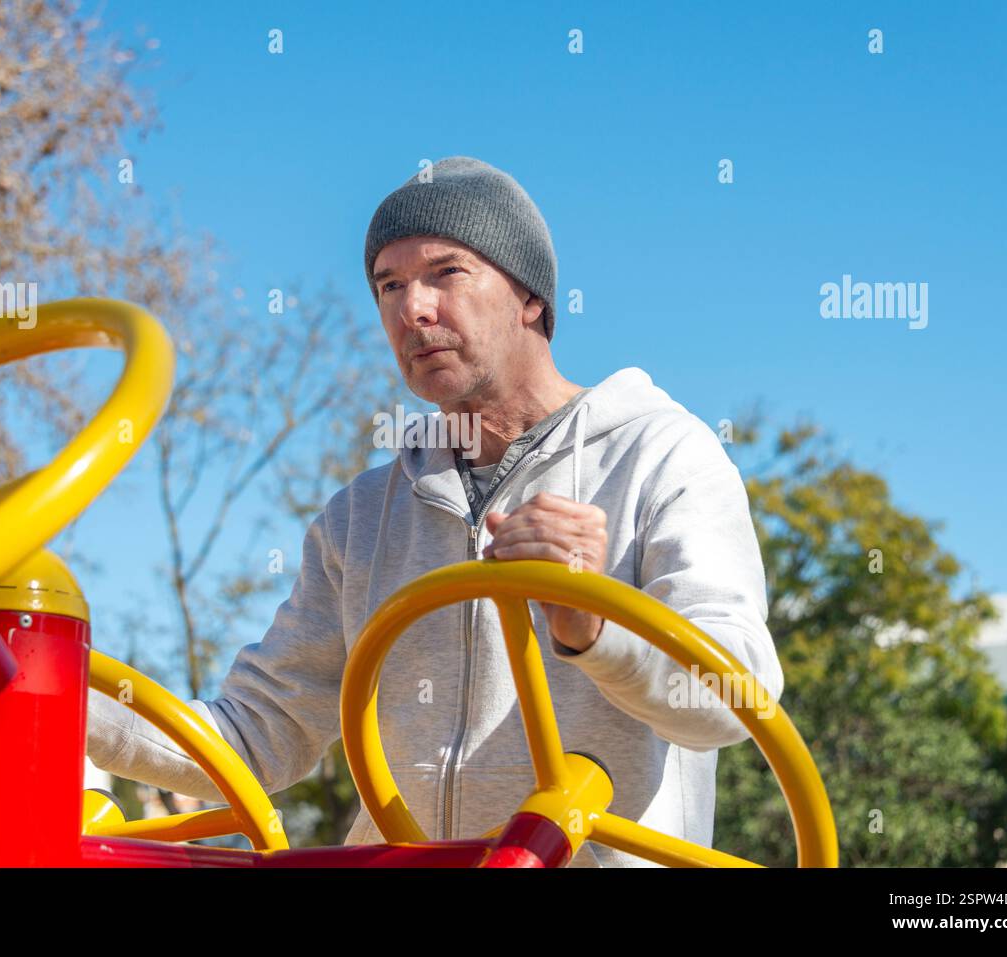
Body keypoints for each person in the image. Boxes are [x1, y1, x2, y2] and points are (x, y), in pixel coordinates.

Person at [87, 156, 784, 867]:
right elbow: (257, 735)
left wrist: (596, 630)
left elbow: (737, 693)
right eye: (388, 285)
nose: (411, 309)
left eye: (445, 273)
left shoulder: (663, 454)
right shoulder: (360, 514)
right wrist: (55, 699)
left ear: (531, 298)